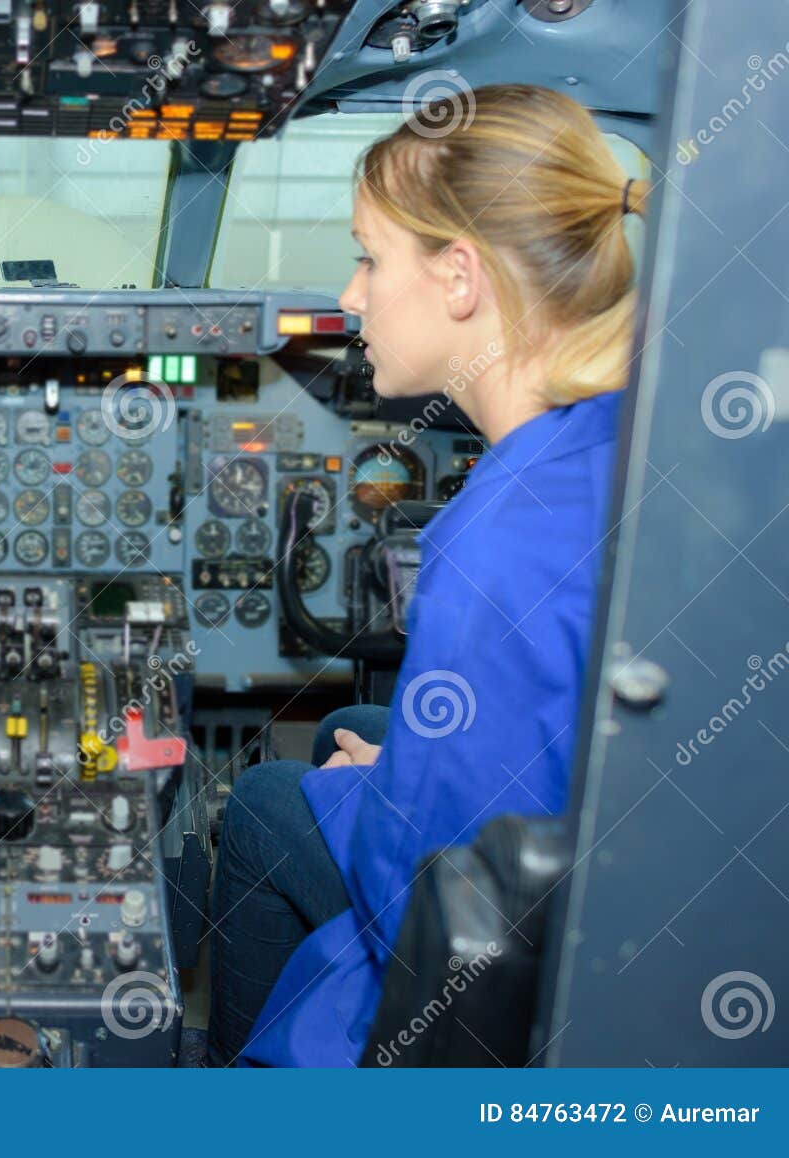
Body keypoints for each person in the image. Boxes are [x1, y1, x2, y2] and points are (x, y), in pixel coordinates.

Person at [206, 84, 644, 1066]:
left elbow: (428, 896)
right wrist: (399, 765)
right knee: (349, 729)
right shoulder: (622, 438)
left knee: (267, 800)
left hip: (498, 976)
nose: (350, 296)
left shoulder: (495, 548)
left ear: (459, 277)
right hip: (628, 868)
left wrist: (388, 792)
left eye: (368, 257)